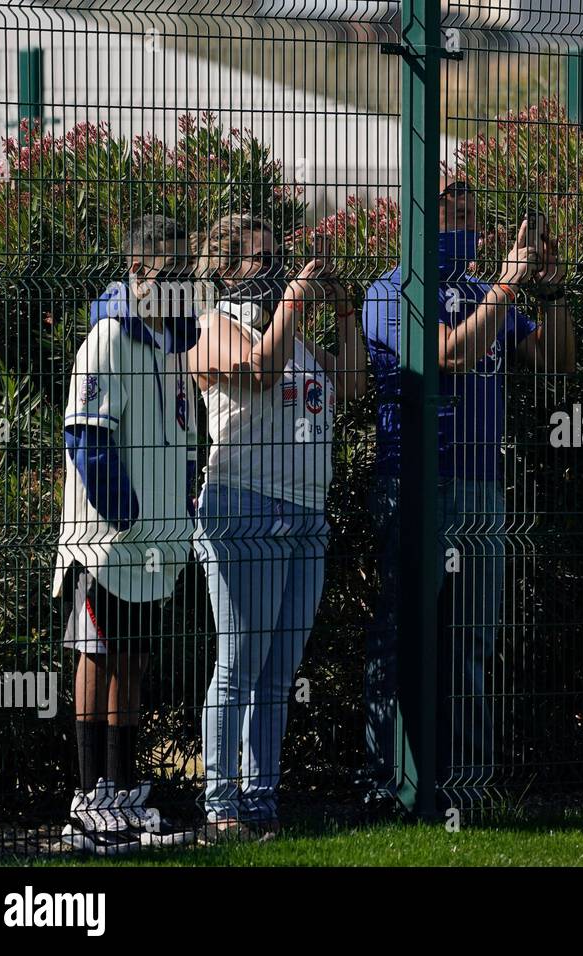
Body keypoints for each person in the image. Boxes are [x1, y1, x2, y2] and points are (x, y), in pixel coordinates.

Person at [361, 175, 575, 807]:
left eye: (475, 218)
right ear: (421, 221)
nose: (470, 229)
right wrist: (509, 285)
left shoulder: (486, 291)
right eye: (455, 215)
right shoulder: (390, 292)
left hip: (482, 488)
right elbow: (445, 355)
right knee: (403, 635)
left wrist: (552, 285)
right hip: (413, 485)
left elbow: (557, 358)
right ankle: (388, 783)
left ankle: (467, 785)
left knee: (472, 639)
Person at [185, 214, 367, 836]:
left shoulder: (290, 335)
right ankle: (220, 806)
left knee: (279, 669)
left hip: (306, 513)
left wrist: (344, 314)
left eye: (275, 258)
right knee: (239, 662)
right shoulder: (209, 328)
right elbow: (259, 372)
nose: (269, 270)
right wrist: (294, 300)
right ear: (223, 270)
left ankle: (261, 803)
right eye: (253, 260)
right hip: (244, 506)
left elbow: (348, 385)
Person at [55, 214, 201, 852]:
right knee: (97, 655)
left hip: (156, 551)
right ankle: (88, 802)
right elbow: (87, 437)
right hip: (108, 545)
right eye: (161, 265)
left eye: (180, 264)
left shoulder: (176, 347)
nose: (174, 276)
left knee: (133, 663)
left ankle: (119, 789)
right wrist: (129, 517)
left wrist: (179, 512)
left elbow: (188, 437)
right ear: (138, 270)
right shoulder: (109, 338)